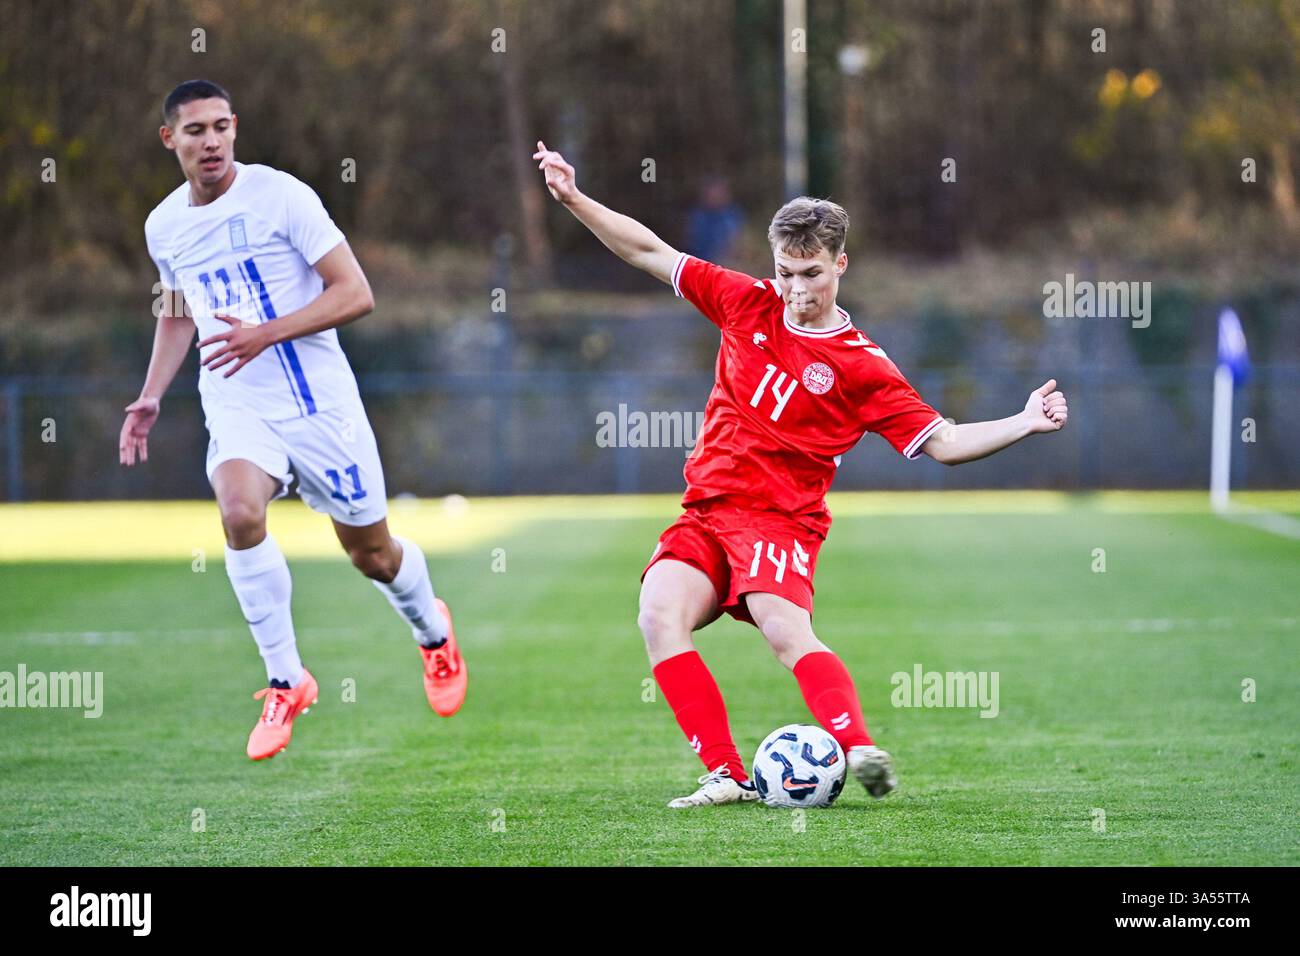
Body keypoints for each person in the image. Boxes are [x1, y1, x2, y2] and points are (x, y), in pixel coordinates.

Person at [533, 139, 1068, 807]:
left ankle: (859, 747)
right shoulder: (745, 303)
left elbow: (946, 441)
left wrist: (1023, 421)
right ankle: (727, 774)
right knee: (656, 614)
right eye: (785, 271)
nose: (794, 289)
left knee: (786, 631)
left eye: (810, 273)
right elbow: (650, 252)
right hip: (706, 510)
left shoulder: (862, 365)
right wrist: (575, 198)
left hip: (779, 519)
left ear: (840, 264)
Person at [120, 80, 468, 761]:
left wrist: (266, 333)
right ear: (170, 140)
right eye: (195, 131)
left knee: (371, 554)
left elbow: (356, 293)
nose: (211, 141)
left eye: (221, 127)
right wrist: (152, 392)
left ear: (236, 129)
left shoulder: (283, 196)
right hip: (238, 400)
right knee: (240, 513)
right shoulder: (164, 225)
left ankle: (433, 633)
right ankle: (287, 677)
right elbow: (175, 310)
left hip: (320, 406)